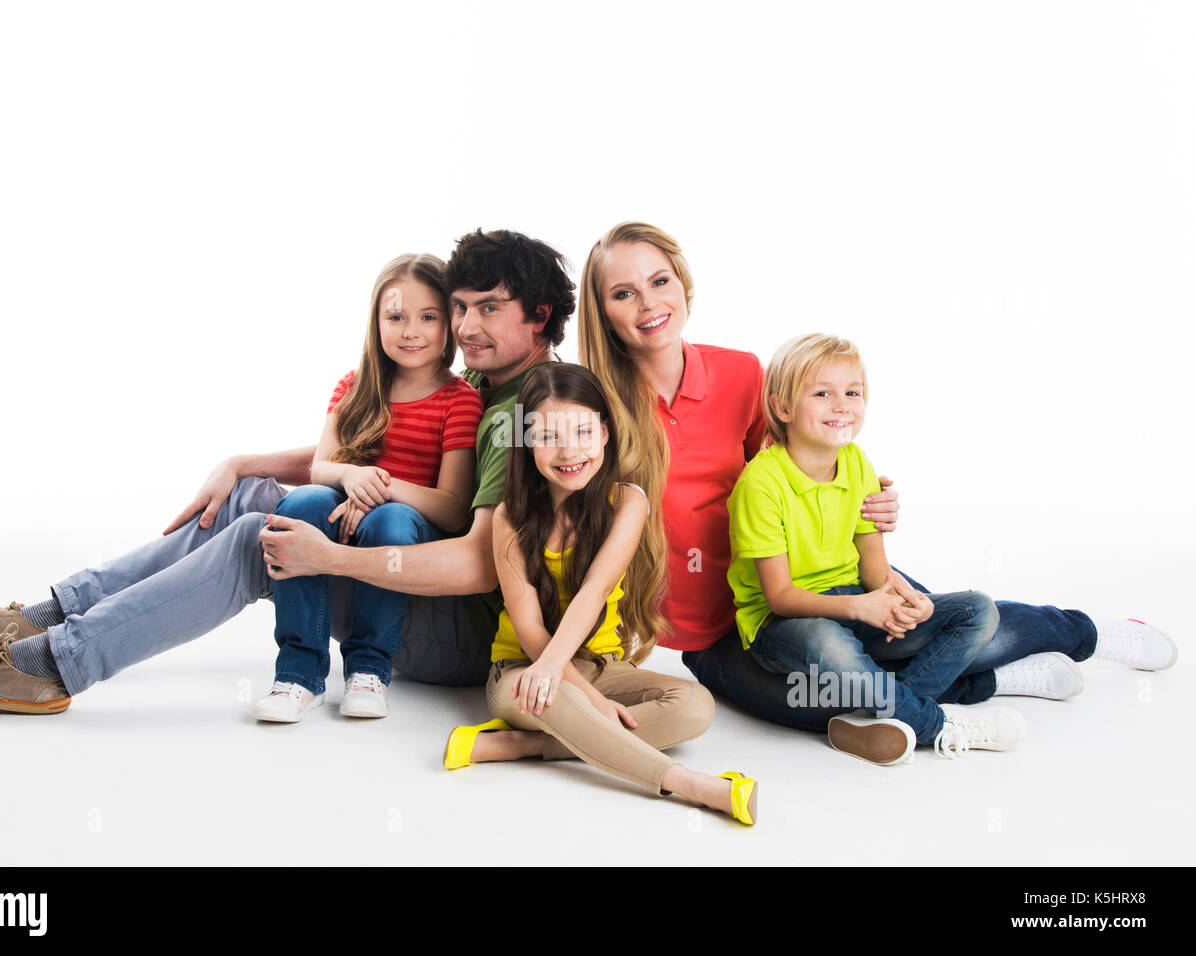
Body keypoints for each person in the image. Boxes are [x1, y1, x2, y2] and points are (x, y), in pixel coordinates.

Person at [0, 229, 581, 715]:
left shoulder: (521, 414)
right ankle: (53, 614)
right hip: (409, 583)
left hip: (453, 632)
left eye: (486, 308)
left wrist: (325, 559)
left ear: (539, 316)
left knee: (263, 540)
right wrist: (244, 463)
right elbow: (374, 456)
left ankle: (58, 663)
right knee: (258, 497)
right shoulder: (480, 381)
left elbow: (476, 566)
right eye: (459, 308)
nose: (463, 326)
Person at [576, 221, 1176, 746]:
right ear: (602, 310)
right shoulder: (595, 404)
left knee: (933, 625)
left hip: (824, 572)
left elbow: (790, 463)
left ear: (682, 284)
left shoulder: (740, 371)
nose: (647, 302)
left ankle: (1087, 631)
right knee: (828, 704)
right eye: (622, 293)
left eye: (659, 281)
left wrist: (865, 503)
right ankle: (995, 682)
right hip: (726, 626)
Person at [442, 363, 756, 825]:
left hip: (603, 665)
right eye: (548, 436)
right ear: (527, 441)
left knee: (695, 706)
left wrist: (591, 691)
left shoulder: (628, 501)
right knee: (558, 699)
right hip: (524, 671)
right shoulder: (510, 516)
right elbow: (528, 627)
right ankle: (690, 784)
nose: (569, 451)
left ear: (605, 433)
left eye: (583, 431)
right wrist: (570, 685)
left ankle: (524, 746)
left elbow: (596, 590)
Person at [729, 332, 1022, 763]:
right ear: (783, 408)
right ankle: (936, 725)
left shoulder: (858, 462)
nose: (842, 405)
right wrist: (860, 608)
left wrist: (903, 597)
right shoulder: (761, 483)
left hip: (855, 598)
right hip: (783, 623)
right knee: (832, 648)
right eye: (823, 393)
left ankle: (886, 718)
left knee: (978, 610)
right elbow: (780, 597)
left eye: (852, 392)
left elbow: (873, 569)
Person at [255, 253, 484, 723]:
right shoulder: (354, 386)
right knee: (301, 501)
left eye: (428, 317)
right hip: (344, 514)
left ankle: (369, 670)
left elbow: (453, 509)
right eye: (395, 317)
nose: (411, 331)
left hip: (407, 535)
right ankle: (299, 675)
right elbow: (322, 467)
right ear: (376, 322)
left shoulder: (459, 401)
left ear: (448, 325)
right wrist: (352, 476)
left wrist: (379, 487)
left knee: (391, 518)